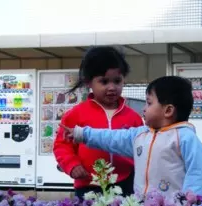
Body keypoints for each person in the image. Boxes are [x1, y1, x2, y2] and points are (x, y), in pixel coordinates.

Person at [60, 76, 202, 197]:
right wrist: (82, 134)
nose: (144, 109)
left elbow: (197, 171)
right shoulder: (140, 135)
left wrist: (189, 204)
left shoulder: (185, 138)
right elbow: (112, 138)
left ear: (168, 111)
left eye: (149, 103)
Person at [53, 46, 143, 198]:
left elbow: (142, 147)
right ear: (89, 82)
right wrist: (72, 165)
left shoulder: (133, 117)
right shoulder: (75, 115)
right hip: (88, 183)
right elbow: (62, 145)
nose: (112, 87)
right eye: (104, 81)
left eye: (117, 81)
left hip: (126, 183)